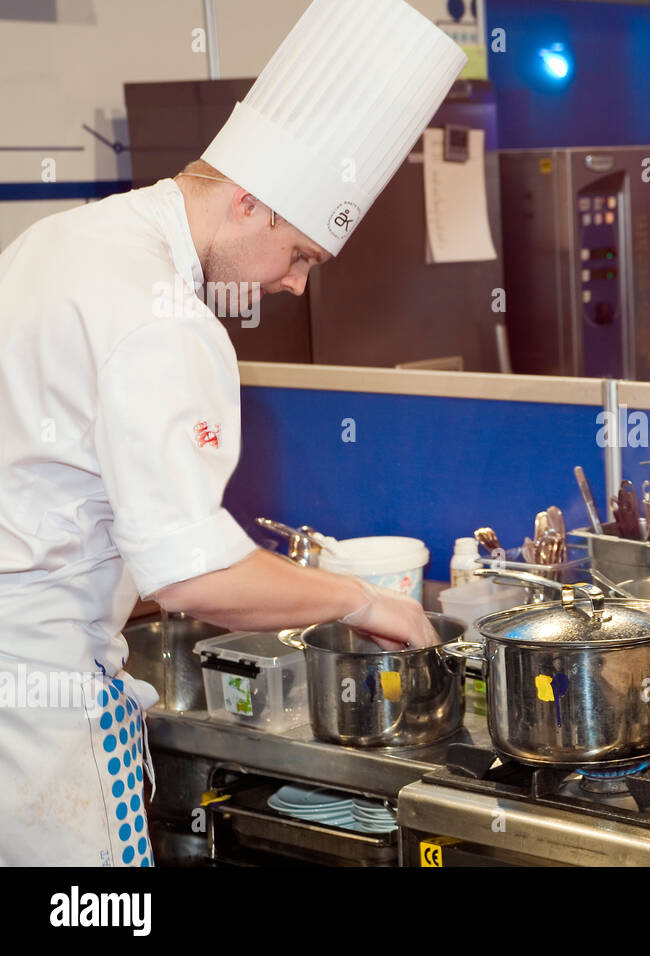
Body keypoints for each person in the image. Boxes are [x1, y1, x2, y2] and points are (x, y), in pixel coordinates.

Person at [0, 0, 466, 865]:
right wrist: (364, 601)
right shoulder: (166, 319)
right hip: (42, 710)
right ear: (250, 203)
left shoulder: (59, 242)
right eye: (299, 257)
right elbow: (197, 574)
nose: (294, 286)